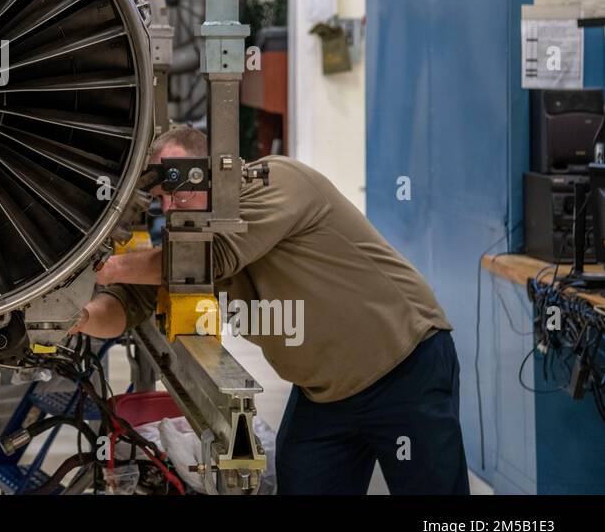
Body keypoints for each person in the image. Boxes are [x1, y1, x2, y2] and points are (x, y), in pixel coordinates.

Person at [72, 124, 470, 495]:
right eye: (162, 197)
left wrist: (100, 265)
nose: (173, 203)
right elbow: (127, 305)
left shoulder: (277, 181)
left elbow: (209, 258)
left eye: (181, 185)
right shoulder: (187, 238)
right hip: (324, 395)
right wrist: (77, 317)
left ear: (212, 168)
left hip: (402, 366)